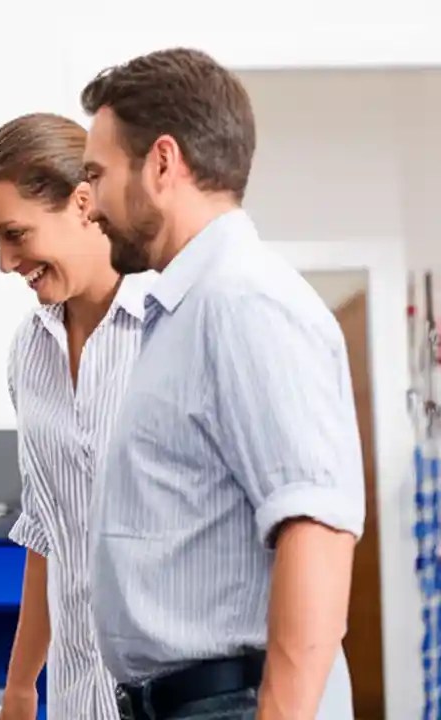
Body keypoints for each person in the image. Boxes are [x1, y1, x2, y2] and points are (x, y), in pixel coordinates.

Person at [79, 48, 364, 719]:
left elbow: (316, 530)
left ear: (163, 163)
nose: (89, 206)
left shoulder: (244, 302)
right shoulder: (186, 311)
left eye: (98, 174)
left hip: (232, 702)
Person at [0, 112, 154, 720]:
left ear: (82, 203)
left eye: (15, 234)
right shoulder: (31, 349)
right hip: (79, 696)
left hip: (172, 694)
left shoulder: (169, 326)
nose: (4, 262)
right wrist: (22, 686)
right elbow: (48, 529)